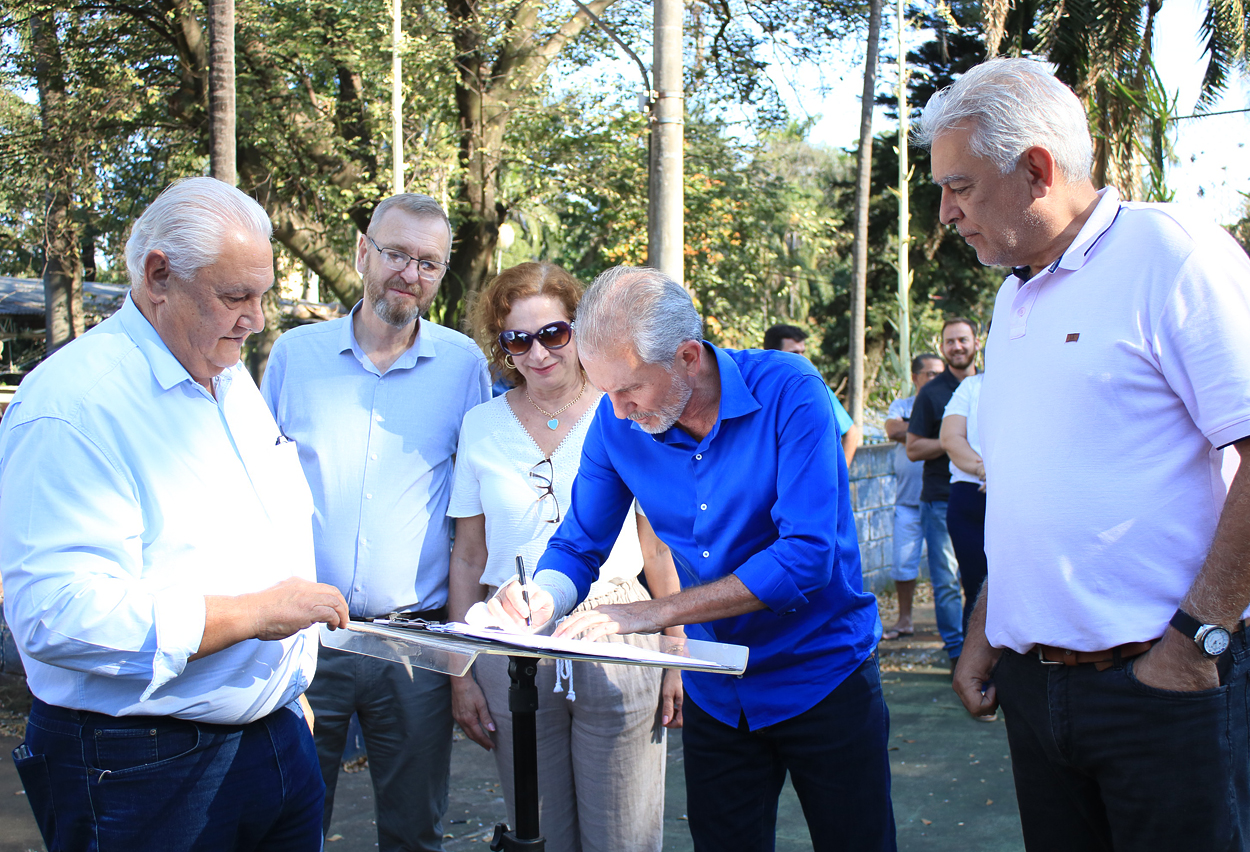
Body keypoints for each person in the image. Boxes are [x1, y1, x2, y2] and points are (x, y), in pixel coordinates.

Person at [915, 56, 1250, 850]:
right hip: (1040, 695)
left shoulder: (1174, 254)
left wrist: (1196, 642)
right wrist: (987, 631)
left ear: (1036, 169)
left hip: (1161, 686)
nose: (945, 212)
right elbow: (1037, 489)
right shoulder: (1015, 293)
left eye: (959, 186)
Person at [490, 267, 895, 852]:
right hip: (719, 686)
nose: (619, 412)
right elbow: (580, 544)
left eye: (629, 391)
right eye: (606, 393)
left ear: (686, 357)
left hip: (822, 675)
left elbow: (806, 558)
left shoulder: (791, 390)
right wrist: (542, 597)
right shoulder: (615, 420)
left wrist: (650, 613)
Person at [0, 177, 351, 851]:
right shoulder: (75, 404)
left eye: (261, 294)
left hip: (270, 740)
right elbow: (54, 615)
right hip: (139, 764)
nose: (255, 318)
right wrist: (253, 616)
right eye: (234, 296)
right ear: (159, 276)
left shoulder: (225, 371)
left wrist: (281, 694)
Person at [261, 193, 490, 852]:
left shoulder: (463, 366)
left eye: (428, 263)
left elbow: (472, 510)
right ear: (364, 252)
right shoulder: (294, 357)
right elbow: (260, 490)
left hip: (412, 645)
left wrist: (461, 657)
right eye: (396, 254)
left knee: (416, 832)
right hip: (306, 639)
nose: (409, 274)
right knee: (290, 822)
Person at [447, 262, 685, 852]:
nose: (539, 353)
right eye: (517, 339)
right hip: (512, 635)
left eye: (553, 333)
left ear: (579, 329)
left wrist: (675, 647)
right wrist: (461, 670)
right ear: (503, 348)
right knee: (540, 832)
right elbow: (468, 554)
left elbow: (655, 540)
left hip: (618, 624)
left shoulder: (622, 410)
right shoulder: (479, 426)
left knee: (622, 832)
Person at [905, 317, 979, 670]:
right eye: (950, 342)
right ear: (942, 347)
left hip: (988, 496)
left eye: (963, 340)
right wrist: (954, 440)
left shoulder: (997, 384)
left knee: (983, 577)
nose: (957, 347)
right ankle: (956, 652)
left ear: (976, 342)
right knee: (948, 580)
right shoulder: (932, 393)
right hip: (941, 497)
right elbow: (914, 448)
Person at [881, 353, 945, 640]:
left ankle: (954, 628)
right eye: (930, 373)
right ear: (915, 377)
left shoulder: (950, 401)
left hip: (942, 498)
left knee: (947, 567)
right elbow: (892, 429)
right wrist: (928, 430)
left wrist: (915, 432)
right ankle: (904, 620)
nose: (935, 379)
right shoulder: (903, 405)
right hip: (908, 500)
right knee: (902, 563)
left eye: (939, 373)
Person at [762, 323, 861, 465]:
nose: (803, 359)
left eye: (803, 352)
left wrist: (838, 479)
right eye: (795, 353)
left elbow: (851, 433)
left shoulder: (815, 389)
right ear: (773, 354)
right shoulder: (759, 390)